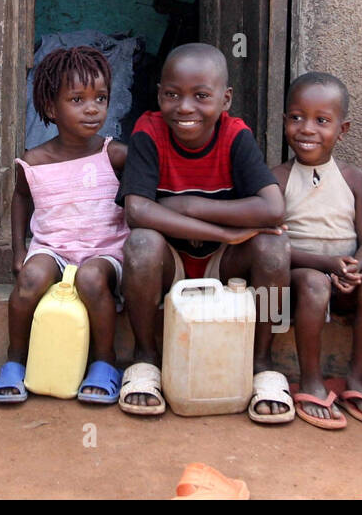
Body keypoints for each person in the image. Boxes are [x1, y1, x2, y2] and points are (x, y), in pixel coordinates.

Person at [116, 43, 293, 422]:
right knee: (142, 243)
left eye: (201, 96)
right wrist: (226, 231)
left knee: (275, 249)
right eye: (172, 94)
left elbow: (273, 209)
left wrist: (187, 206)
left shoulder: (235, 137)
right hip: (171, 262)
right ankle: (145, 360)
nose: (184, 107)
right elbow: (137, 212)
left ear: (225, 99)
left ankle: (263, 364)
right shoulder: (149, 131)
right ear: (159, 93)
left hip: (225, 267)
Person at [0, 47, 128, 405]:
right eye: (77, 99)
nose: (92, 108)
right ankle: (15, 362)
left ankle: (104, 362)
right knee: (30, 280)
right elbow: (21, 198)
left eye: (100, 98)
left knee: (91, 279)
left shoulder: (113, 155)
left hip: (105, 250)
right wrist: (21, 250)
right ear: (52, 108)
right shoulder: (33, 162)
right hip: (52, 247)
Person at [272, 72, 362, 429]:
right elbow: (273, 249)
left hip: (345, 279)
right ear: (284, 122)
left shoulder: (352, 178)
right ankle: (310, 379)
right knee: (314, 283)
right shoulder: (276, 178)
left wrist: (355, 268)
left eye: (321, 121)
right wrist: (326, 266)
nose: (307, 129)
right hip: (300, 281)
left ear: (343, 129)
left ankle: (356, 378)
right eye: (296, 118)